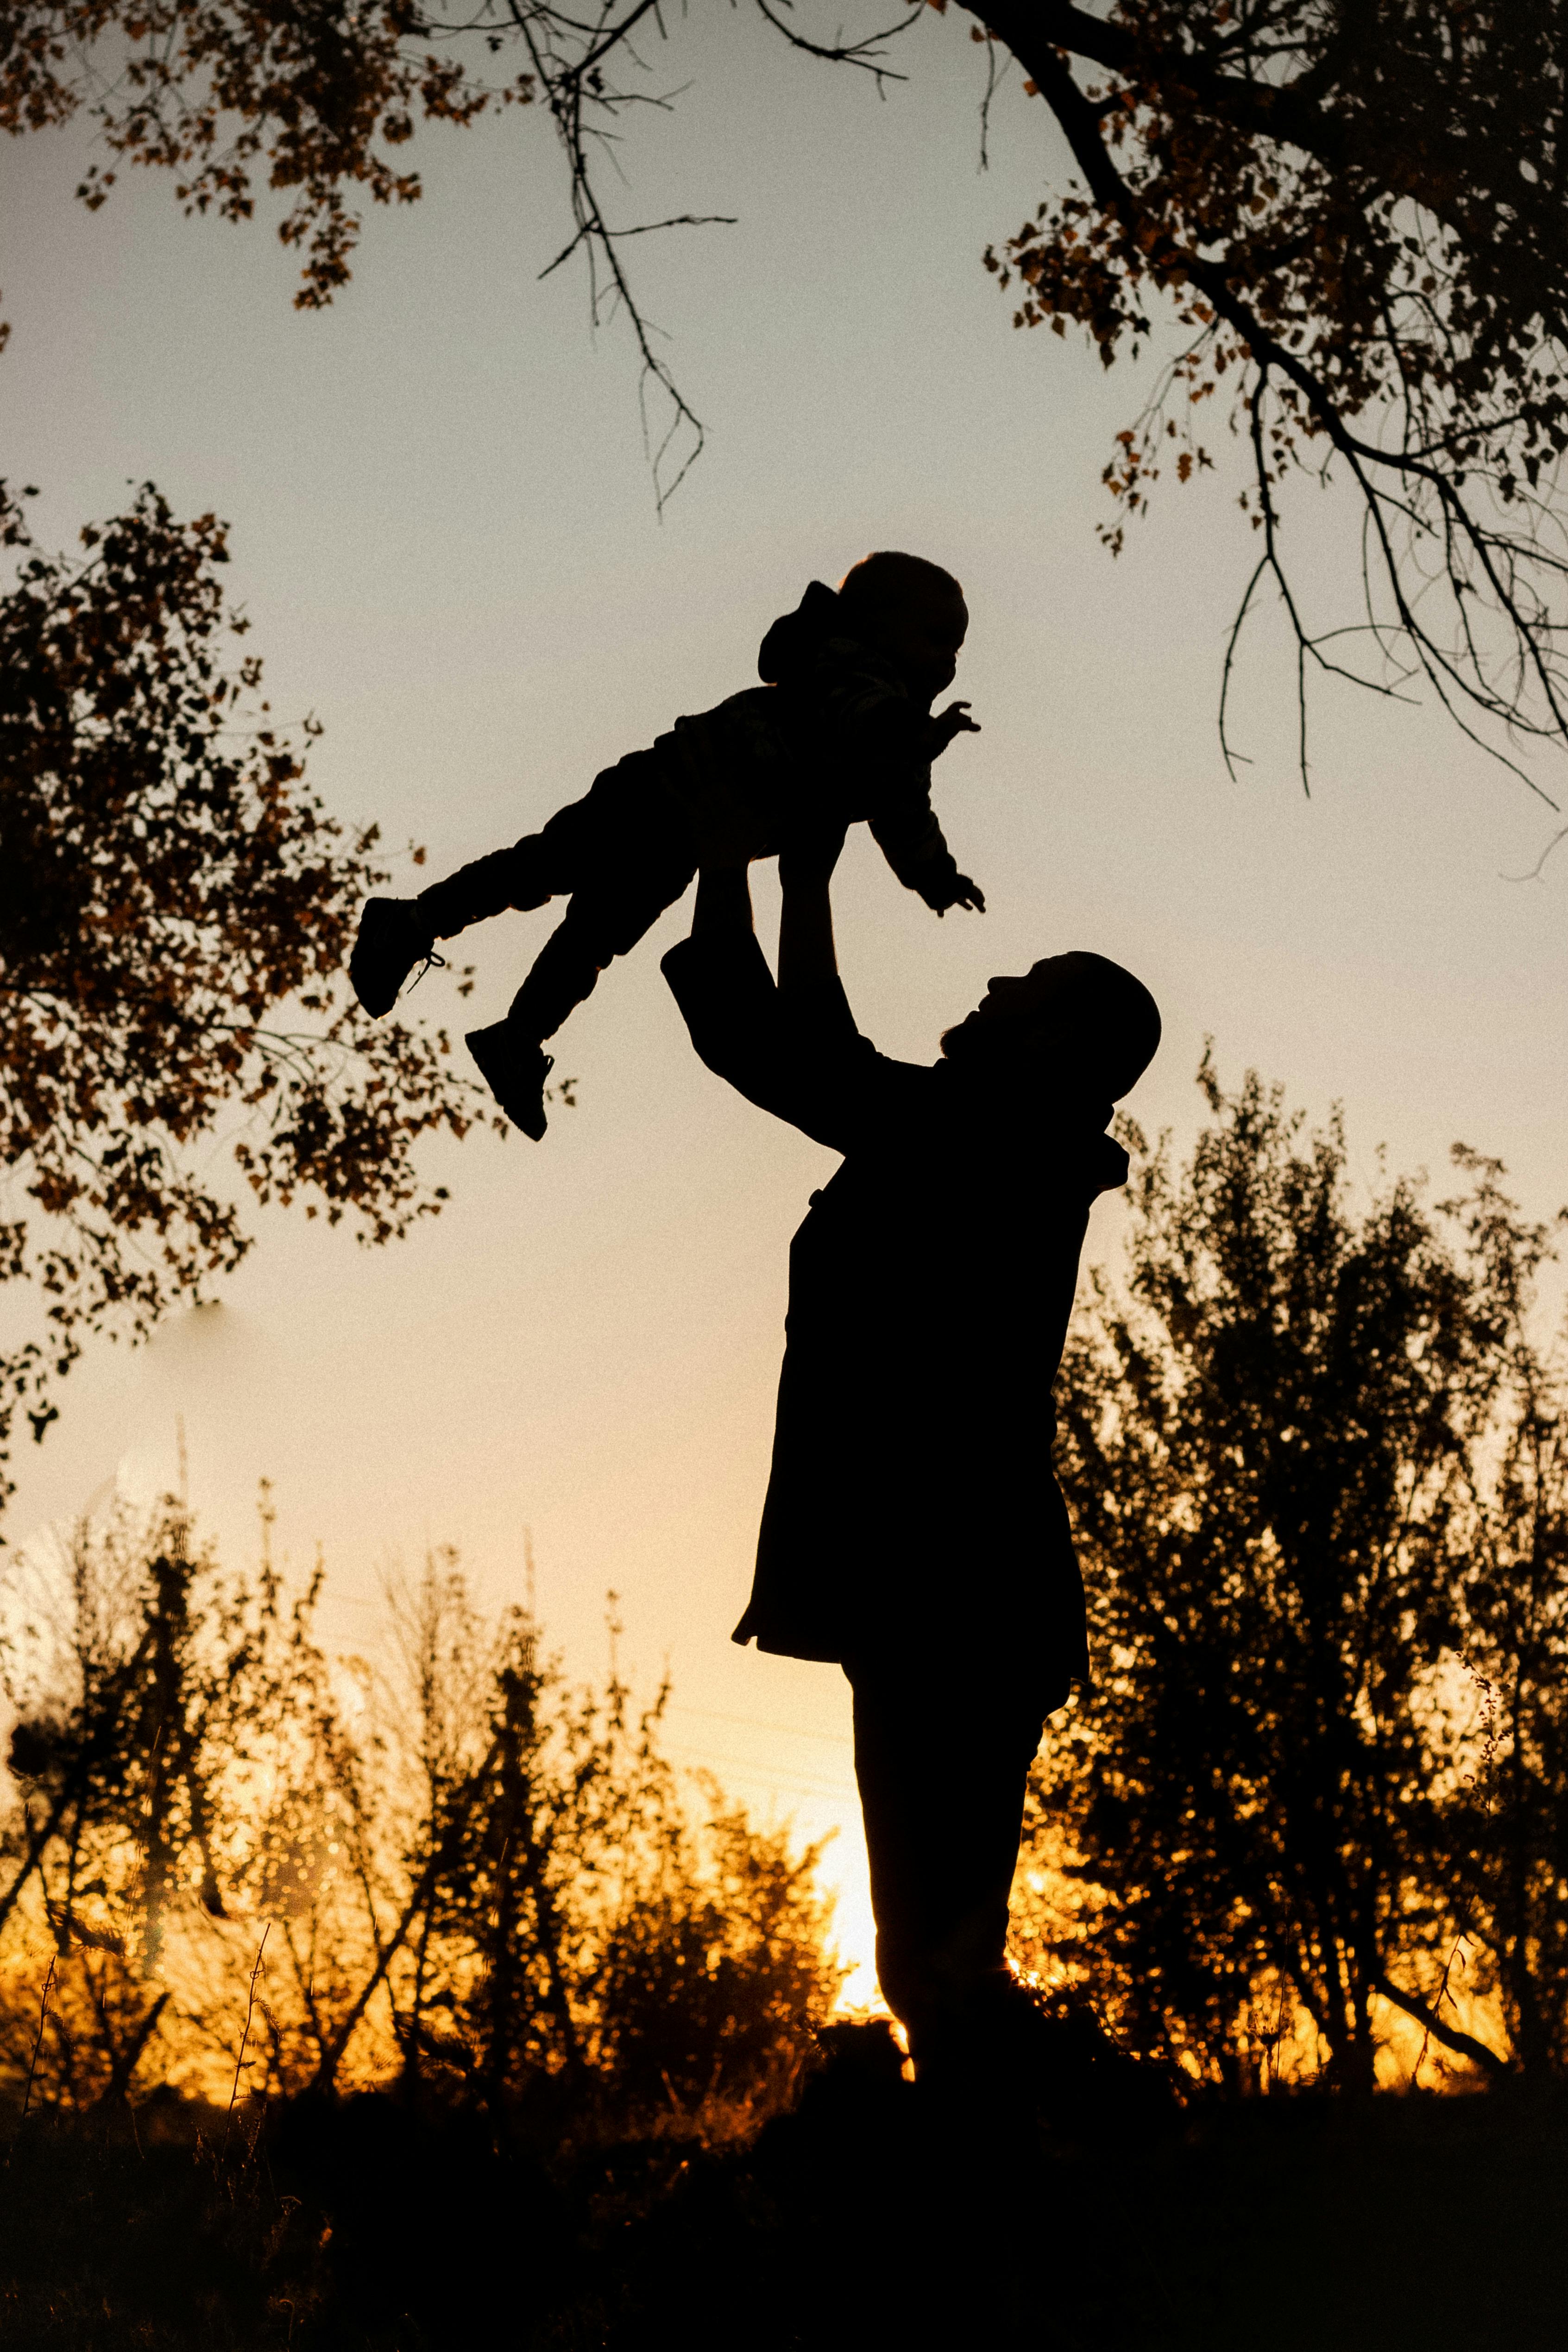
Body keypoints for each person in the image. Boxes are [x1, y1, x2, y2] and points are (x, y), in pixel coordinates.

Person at [661, 831, 1161, 2091]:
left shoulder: (988, 1144)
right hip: (945, 1588)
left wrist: (745, 857)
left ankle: (1027, 2176)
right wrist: (794, 872)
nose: (990, 990)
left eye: (1022, 989)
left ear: (1051, 1042)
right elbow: (807, 1049)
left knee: (936, 1953)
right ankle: (1012, 2173)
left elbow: (780, 1052)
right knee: (931, 1949)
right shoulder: (967, 1139)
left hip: (956, 1589)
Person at [347, 553, 986, 1138]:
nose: (947, 661)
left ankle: (519, 1034)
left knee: (601, 930)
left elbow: (903, 811)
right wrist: (913, 737)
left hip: (696, 834)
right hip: (673, 782)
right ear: (873, 626)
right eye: (934, 639)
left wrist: (933, 873)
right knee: (546, 865)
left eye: (956, 649)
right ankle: (411, 921)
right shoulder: (847, 666)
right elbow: (860, 712)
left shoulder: (900, 745)